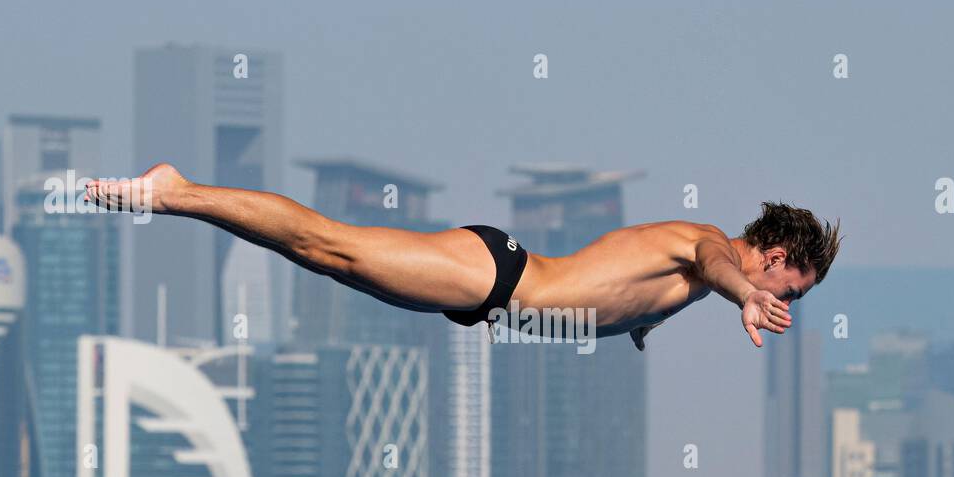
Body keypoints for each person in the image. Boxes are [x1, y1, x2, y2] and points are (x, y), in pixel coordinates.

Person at [86, 164, 841, 350]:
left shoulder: (690, 286)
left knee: (327, 259)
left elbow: (623, 295)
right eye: (788, 289)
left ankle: (179, 197)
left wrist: (634, 325)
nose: (783, 303)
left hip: (486, 297)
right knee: (331, 247)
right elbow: (714, 261)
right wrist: (742, 292)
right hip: (497, 274)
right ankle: (174, 191)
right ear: (772, 256)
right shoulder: (705, 247)